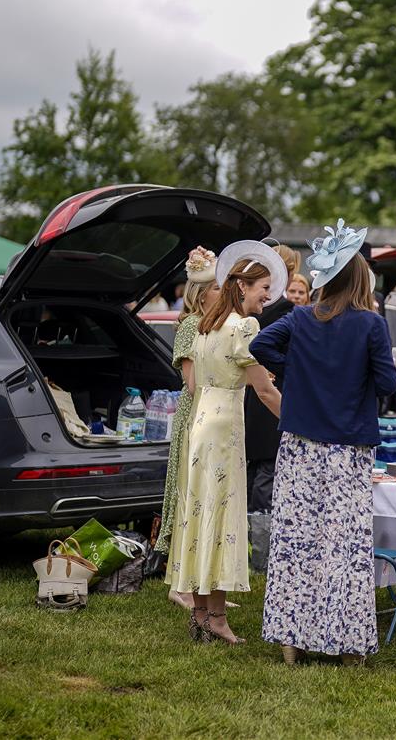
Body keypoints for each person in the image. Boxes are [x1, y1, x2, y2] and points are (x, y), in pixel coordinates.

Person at [253, 221, 396, 665]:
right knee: (344, 543)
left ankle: (291, 640)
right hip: (349, 448)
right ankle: (347, 643)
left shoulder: (299, 318)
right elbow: (388, 383)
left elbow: (260, 345)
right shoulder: (372, 325)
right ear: (360, 281)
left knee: (296, 540)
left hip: (300, 444)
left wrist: (299, 372)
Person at [165, 242, 283, 646]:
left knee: (201, 517)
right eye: (264, 287)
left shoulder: (205, 325)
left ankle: (201, 615)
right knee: (220, 517)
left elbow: (196, 382)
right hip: (224, 429)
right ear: (243, 286)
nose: (268, 296)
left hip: (201, 422)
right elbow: (265, 392)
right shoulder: (242, 328)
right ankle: (215, 618)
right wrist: (300, 423)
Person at [158, 246, 218, 612]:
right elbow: (192, 382)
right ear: (199, 292)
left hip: (211, 414)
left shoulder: (215, 325)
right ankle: (178, 583)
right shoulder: (190, 326)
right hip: (194, 415)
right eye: (214, 288)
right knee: (187, 494)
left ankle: (200, 583)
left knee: (206, 498)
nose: (220, 293)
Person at [244, 244, 301, 514]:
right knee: (267, 471)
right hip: (272, 395)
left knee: (252, 469)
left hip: (247, 398)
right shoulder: (286, 312)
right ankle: (260, 542)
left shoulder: (246, 310)